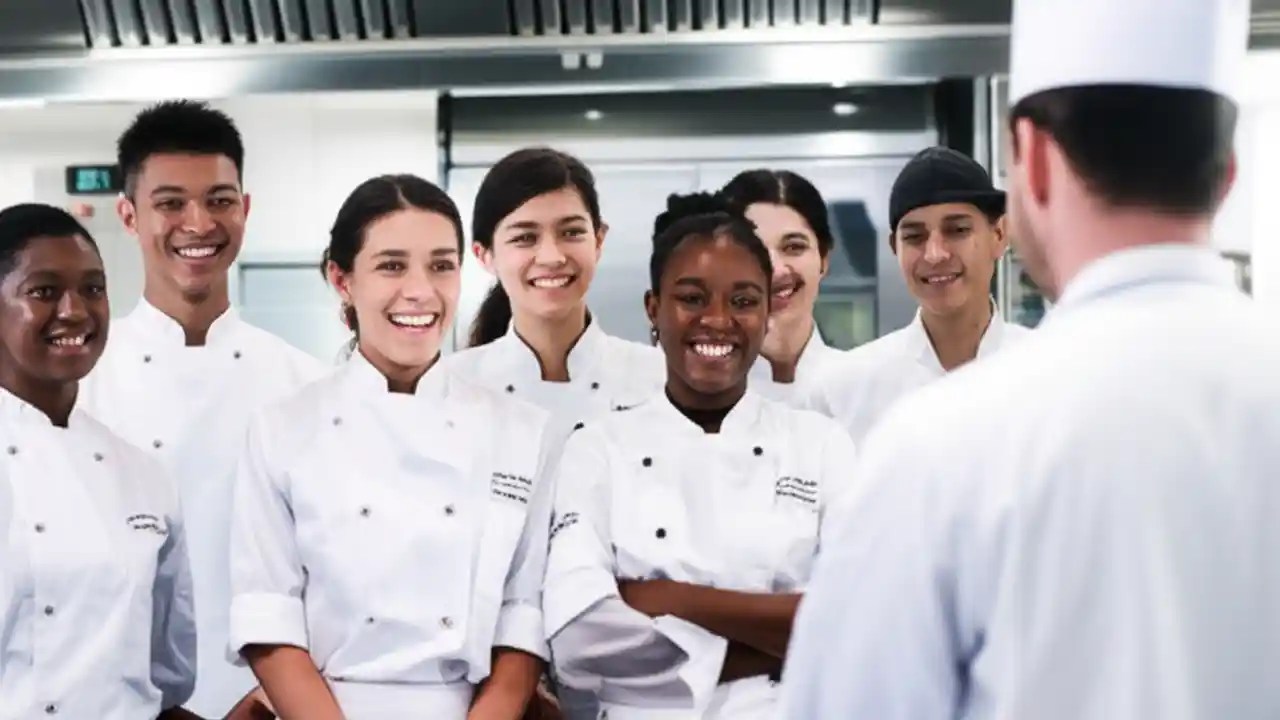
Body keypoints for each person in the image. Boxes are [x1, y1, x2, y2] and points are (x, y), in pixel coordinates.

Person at [782, 1, 1280, 718]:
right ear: (1227, 171)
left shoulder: (942, 445)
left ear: (1034, 167)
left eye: (958, 228)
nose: (936, 252)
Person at [228, 175, 556, 720]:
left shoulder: (519, 431)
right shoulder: (282, 429)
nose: (421, 291)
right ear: (342, 279)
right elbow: (269, 618)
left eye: (442, 265)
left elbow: (522, 617)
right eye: (392, 265)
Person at [543, 193, 857, 719]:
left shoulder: (821, 444)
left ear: (764, 311)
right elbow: (579, 637)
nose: (718, 320)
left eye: (743, 301)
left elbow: (860, 616)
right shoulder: (598, 448)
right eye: (692, 298)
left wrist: (669, 598)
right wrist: (781, 646)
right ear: (653, 308)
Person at [77, 100, 326, 717]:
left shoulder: (310, 386)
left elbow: (340, 567)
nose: (198, 223)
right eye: (170, 203)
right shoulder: (80, 388)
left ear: (245, 209)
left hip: (276, 703)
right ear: (129, 216)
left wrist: (277, 691)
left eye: (219, 200)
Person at [0, 203, 198, 719]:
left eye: (92, 288)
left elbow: (163, 685)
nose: (75, 310)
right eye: (43, 291)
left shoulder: (142, 476)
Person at [802, 146, 1031, 444]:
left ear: (999, 236)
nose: (935, 254)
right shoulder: (842, 391)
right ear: (895, 248)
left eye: (957, 230)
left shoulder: (1049, 371)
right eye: (914, 237)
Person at [443, 147, 664, 441]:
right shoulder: (449, 387)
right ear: (485, 256)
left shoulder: (661, 379)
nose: (551, 257)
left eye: (571, 233)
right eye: (525, 238)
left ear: (599, 240)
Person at [718, 170, 843, 405]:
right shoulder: (687, 395)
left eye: (794, 247)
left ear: (824, 260)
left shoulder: (862, 387)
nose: (775, 270)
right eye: (753, 249)